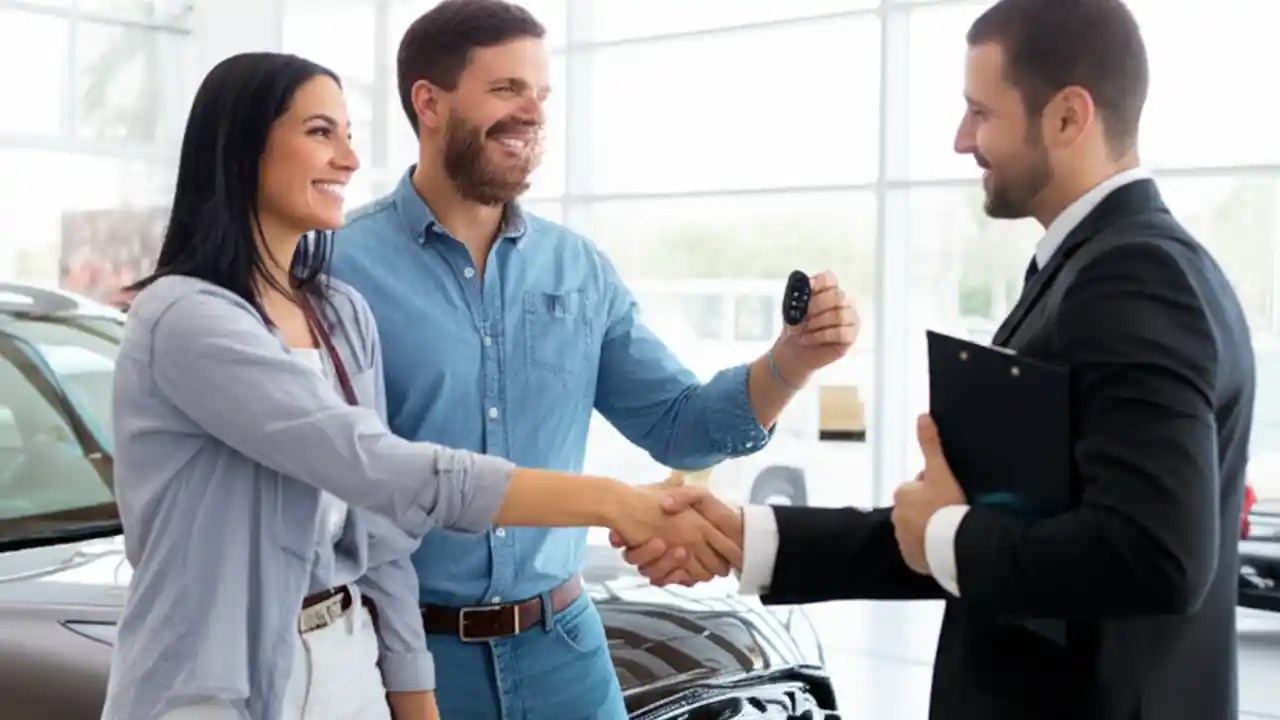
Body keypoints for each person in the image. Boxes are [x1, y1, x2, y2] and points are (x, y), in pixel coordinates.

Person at [619, 1, 1255, 719]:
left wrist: (948, 532)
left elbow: (1156, 555)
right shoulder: (1095, 269)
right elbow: (1001, 533)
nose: (961, 140)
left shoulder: (1135, 277)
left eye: (980, 112)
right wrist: (752, 537)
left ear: (1068, 117)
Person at [101, 51, 737, 720]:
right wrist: (611, 502)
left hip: (345, 662)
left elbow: (382, 530)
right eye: (320, 132)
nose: (349, 160)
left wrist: (416, 700)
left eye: (349, 135)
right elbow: (375, 466)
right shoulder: (185, 318)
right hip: (211, 681)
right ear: (241, 149)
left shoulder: (339, 312)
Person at [329, 1, 859, 717]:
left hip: (566, 657)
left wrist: (792, 361)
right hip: (404, 663)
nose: (533, 113)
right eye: (507, 89)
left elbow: (682, 426)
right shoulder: (337, 267)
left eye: (541, 94)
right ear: (429, 103)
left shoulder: (578, 268)